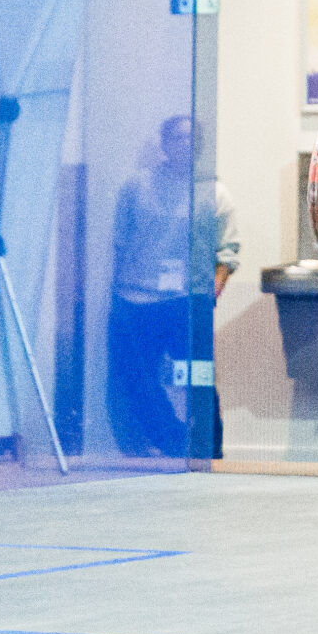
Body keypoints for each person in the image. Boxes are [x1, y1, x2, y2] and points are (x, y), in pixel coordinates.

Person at [107, 115, 234, 462]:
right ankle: (173, 442)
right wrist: (117, 295)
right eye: (178, 138)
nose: (185, 145)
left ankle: (211, 451)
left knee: (198, 380)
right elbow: (120, 241)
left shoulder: (214, 192)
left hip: (186, 300)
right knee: (136, 380)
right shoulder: (137, 186)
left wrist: (213, 292)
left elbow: (228, 251)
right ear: (164, 144)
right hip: (136, 298)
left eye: (193, 138)